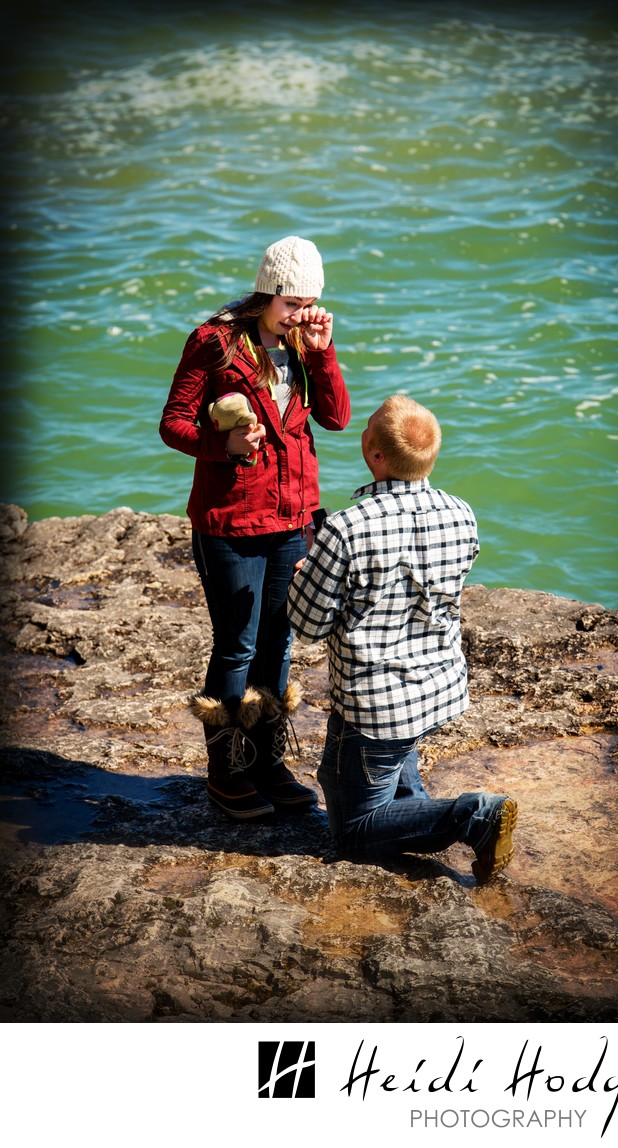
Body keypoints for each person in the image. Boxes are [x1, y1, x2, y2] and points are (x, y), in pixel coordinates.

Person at [287, 394, 517, 882]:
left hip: (375, 702)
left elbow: (309, 625)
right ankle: (416, 810)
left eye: (366, 427)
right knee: (363, 775)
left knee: (353, 829)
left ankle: (474, 815)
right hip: (436, 686)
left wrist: (307, 574)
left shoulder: (348, 527)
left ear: (374, 454)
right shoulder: (462, 513)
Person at [160, 235, 351, 821]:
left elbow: (337, 418)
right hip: (232, 521)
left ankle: (266, 762)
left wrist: (320, 350)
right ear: (267, 292)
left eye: (310, 303)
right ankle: (225, 773)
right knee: (238, 644)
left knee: (280, 642)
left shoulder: (304, 340)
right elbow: (172, 425)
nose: (301, 314)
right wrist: (224, 444)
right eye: (292, 304)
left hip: (295, 518)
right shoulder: (213, 342)